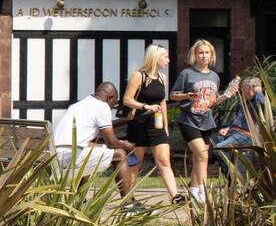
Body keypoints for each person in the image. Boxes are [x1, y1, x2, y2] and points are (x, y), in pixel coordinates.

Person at [170, 40, 239, 204]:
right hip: (189, 119)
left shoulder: (214, 76)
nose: (204, 56)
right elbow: (173, 95)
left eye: (207, 52)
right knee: (202, 154)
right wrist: (187, 96)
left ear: (212, 55)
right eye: (201, 52)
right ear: (195, 54)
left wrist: (227, 95)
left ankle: (194, 192)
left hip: (206, 121)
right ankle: (203, 191)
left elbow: (211, 102)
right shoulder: (186, 74)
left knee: (199, 158)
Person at [52, 83, 136, 199]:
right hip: (68, 157)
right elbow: (111, 143)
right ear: (109, 98)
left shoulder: (77, 105)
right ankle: (128, 204)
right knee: (120, 155)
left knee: (92, 155)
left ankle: (79, 201)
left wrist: (102, 147)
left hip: (54, 156)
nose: (113, 107)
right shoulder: (102, 106)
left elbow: (81, 142)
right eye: (115, 102)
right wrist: (126, 145)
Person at [122, 44, 182, 204]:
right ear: (156, 58)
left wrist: (165, 125)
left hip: (156, 124)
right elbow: (127, 100)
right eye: (166, 57)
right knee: (135, 163)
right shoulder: (138, 76)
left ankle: (175, 196)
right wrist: (145, 106)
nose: (168, 60)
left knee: (164, 160)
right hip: (139, 124)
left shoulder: (163, 78)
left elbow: (162, 102)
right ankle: (128, 198)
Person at [213, 76, 265, 176]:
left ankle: (232, 178)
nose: (241, 91)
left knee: (217, 150)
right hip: (233, 133)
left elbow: (262, 103)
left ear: (249, 88)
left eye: (243, 88)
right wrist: (228, 128)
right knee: (212, 145)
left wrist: (258, 89)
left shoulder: (258, 102)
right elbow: (237, 121)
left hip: (244, 135)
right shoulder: (245, 103)